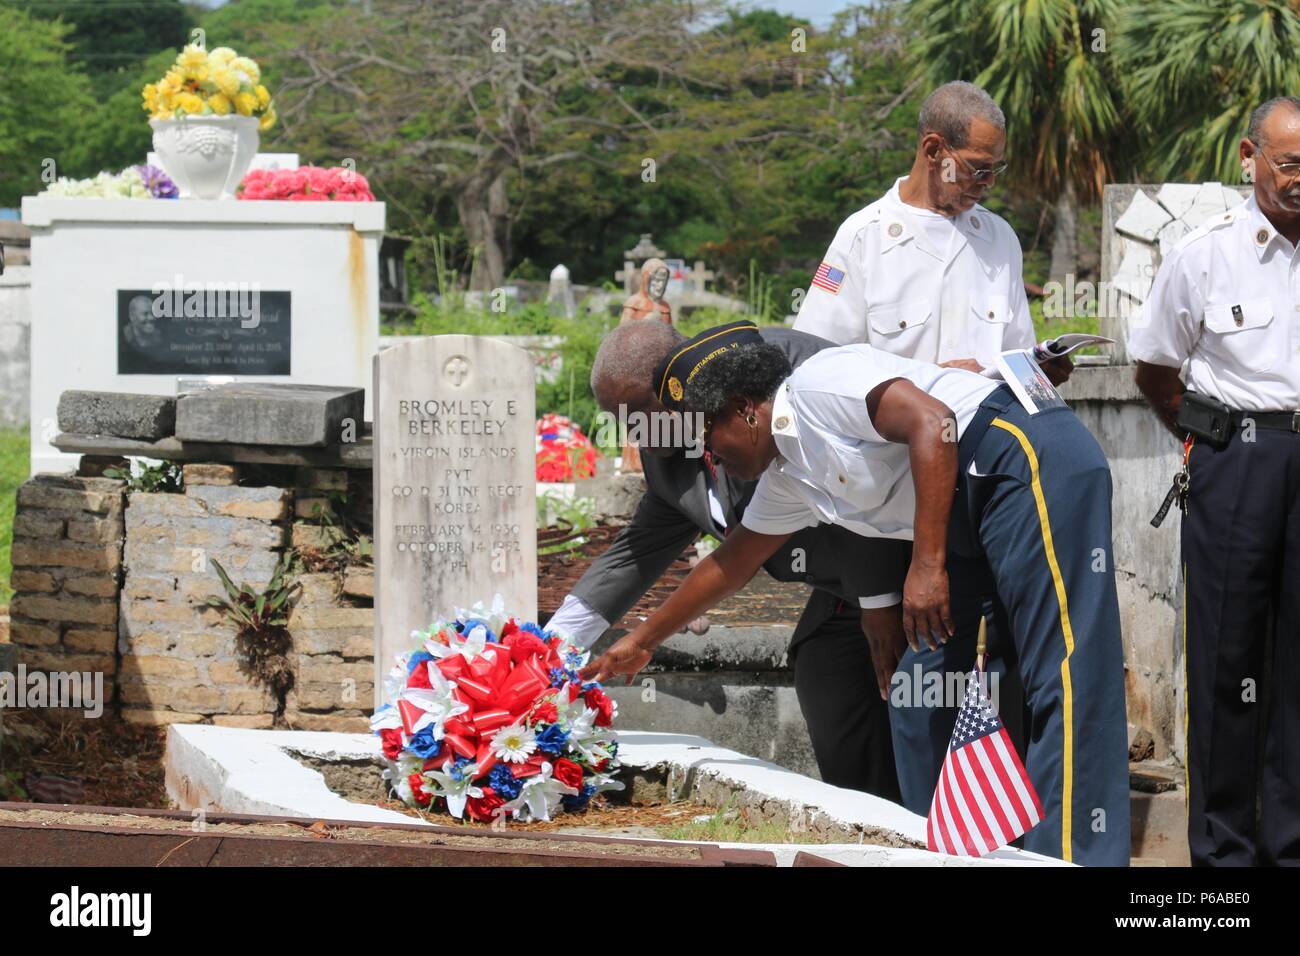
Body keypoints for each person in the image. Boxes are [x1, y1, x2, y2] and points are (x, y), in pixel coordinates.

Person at [580, 340, 1131, 865]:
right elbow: (732, 562)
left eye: (708, 432)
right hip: (958, 510)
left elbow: (931, 421)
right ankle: (941, 856)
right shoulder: (788, 475)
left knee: (1062, 670)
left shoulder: (820, 385)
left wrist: (928, 563)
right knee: (918, 690)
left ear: (745, 410)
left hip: (1018, 453)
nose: (706, 453)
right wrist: (641, 641)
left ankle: (1074, 859)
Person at [547, 319, 912, 799]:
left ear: (679, 383)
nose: (636, 435)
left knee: (919, 708)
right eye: (622, 422)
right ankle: (876, 829)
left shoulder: (773, 372)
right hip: (840, 586)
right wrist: (548, 648)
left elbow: (870, 476)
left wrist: (880, 599)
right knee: (828, 684)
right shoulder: (667, 452)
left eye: (642, 413)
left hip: (906, 562)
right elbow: (638, 550)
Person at [1129, 96, 1300, 866]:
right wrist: (1218, 447)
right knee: (1229, 662)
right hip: (1239, 463)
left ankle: (1290, 844)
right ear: (1249, 156)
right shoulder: (1206, 253)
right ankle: (1225, 857)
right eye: (1289, 163)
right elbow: (1155, 369)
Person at [793, 80, 1072, 386]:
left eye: (996, 168)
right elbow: (816, 366)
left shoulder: (1000, 239)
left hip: (989, 431)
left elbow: (1016, 357)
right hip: (898, 435)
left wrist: (1040, 373)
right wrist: (931, 380)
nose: (989, 182)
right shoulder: (863, 237)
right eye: (979, 169)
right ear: (933, 150)